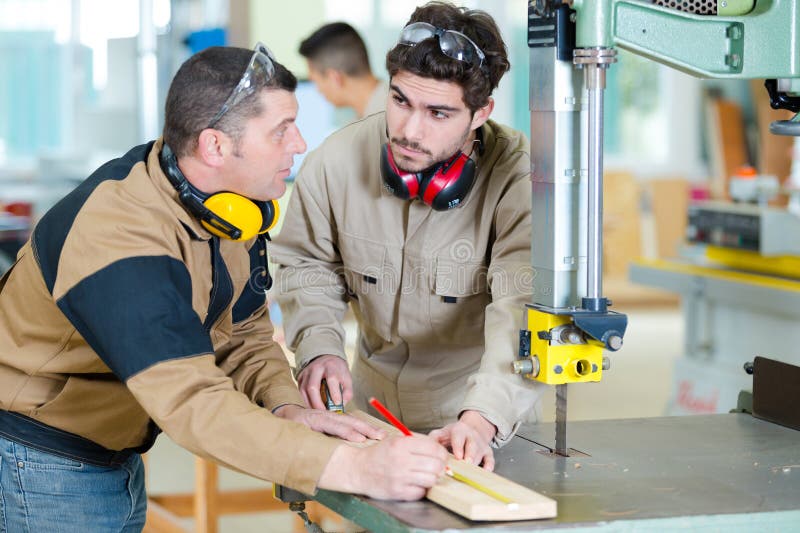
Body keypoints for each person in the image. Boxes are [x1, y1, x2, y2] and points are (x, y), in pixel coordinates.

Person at [0, 43, 448, 532]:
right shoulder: (119, 235)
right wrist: (354, 467)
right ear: (215, 146)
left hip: (110, 454)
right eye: (281, 130)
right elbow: (193, 402)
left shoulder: (225, 207)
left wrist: (286, 405)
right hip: (39, 461)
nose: (300, 143)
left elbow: (244, 332)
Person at [272, 1, 541, 472]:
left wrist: (482, 420)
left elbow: (519, 309)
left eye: (438, 113)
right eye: (400, 102)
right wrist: (319, 347)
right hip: (370, 409)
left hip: (478, 414)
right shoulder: (335, 161)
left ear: (481, 113)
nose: (410, 131)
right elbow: (306, 265)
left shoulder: (519, 179)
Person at [299, 22, 388, 118]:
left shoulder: (387, 120)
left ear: (334, 78)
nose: (318, 90)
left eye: (315, 81)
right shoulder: (379, 110)